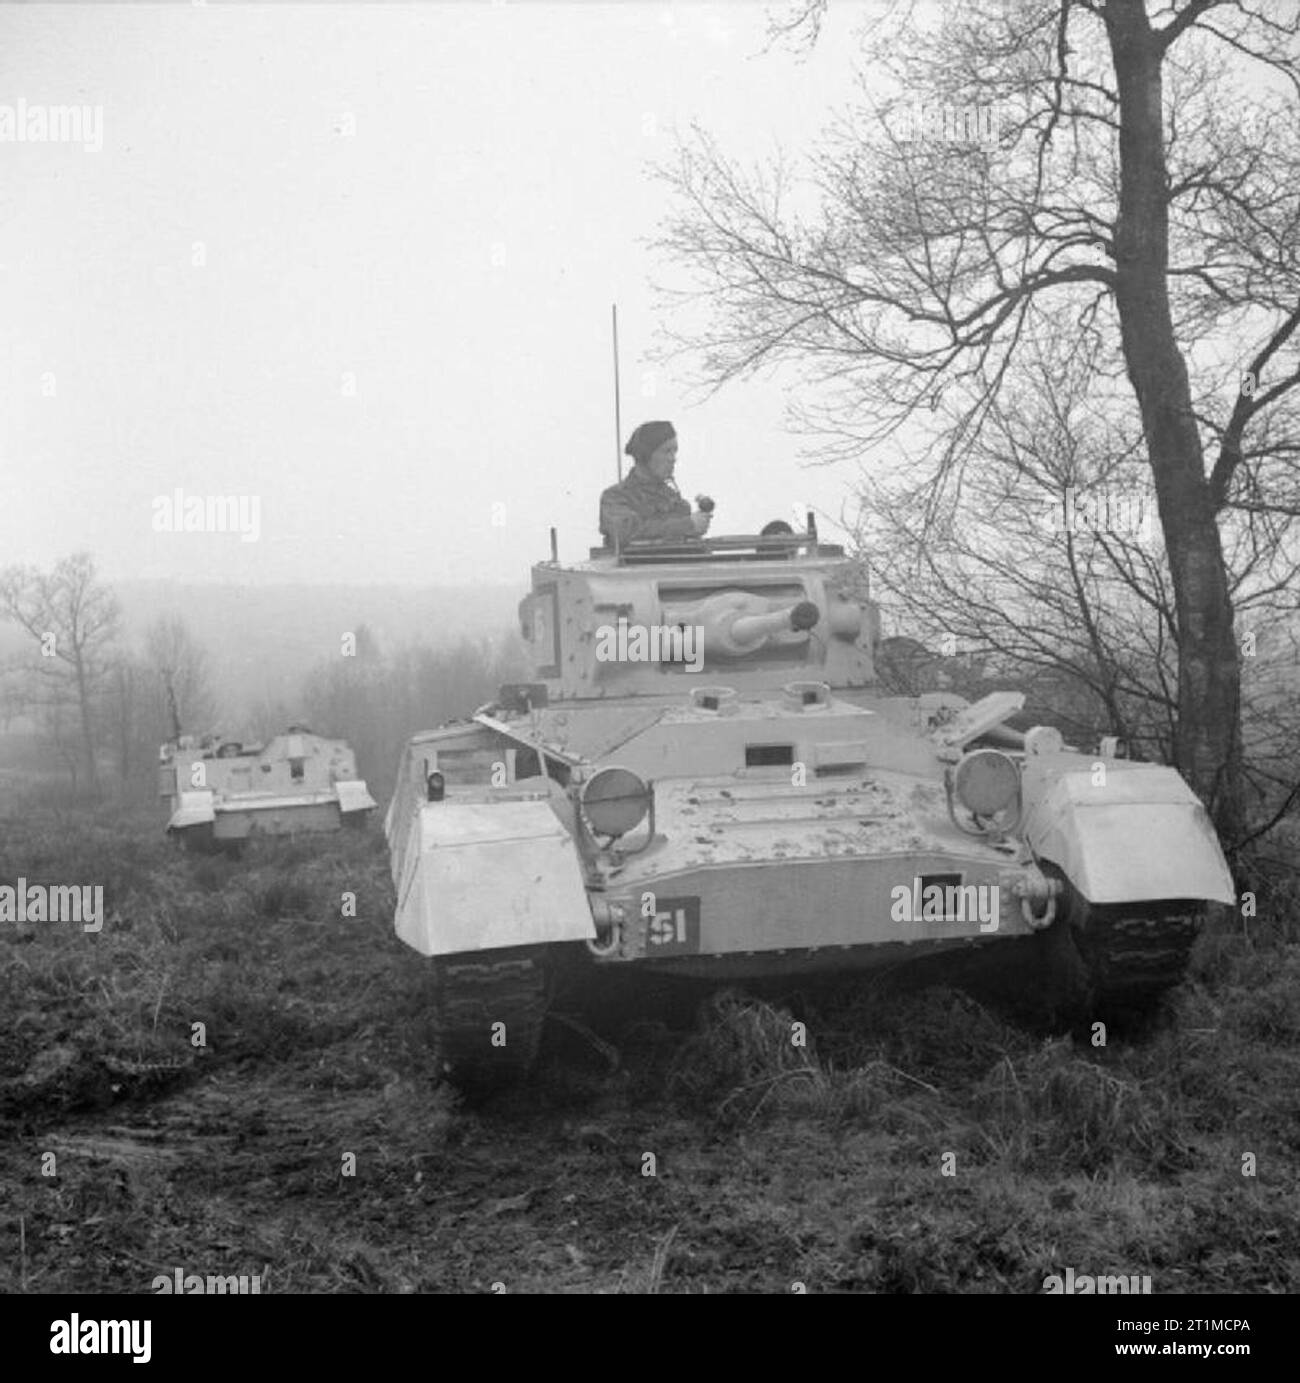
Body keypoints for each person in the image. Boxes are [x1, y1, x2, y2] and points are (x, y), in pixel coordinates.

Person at [599, 421, 713, 547]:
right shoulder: (615, 497)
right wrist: (687, 525)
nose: (673, 458)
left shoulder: (673, 500)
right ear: (645, 456)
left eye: (674, 451)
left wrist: (696, 525)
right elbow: (623, 531)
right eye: (666, 451)